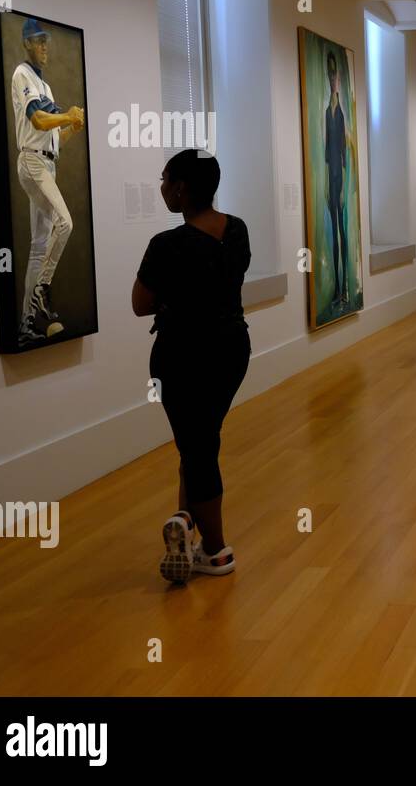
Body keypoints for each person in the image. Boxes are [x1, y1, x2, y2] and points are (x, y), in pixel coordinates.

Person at [133, 150, 251, 584]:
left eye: (164, 180)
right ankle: (185, 520)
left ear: (181, 188)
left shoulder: (166, 245)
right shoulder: (236, 230)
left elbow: (139, 304)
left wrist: (173, 298)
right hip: (231, 348)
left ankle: (216, 550)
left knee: (198, 447)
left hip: (182, 356)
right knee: (200, 439)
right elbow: (226, 280)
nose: (162, 187)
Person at [11, 18, 85, 348]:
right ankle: (43, 290)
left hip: (46, 162)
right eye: (38, 40)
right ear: (27, 43)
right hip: (31, 162)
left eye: (46, 40)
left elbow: (55, 141)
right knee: (65, 223)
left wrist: (73, 127)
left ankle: (26, 322)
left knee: (39, 246)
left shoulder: (47, 86)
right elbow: (39, 120)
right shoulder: (21, 74)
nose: (44, 46)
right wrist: (68, 116)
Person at [324, 50, 351, 309]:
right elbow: (326, 154)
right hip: (330, 179)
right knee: (334, 232)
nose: (333, 79)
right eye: (330, 74)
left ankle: (344, 289)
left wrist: (342, 186)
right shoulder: (326, 111)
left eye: (336, 75)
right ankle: (336, 289)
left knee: (342, 231)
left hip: (340, 178)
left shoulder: (341, 113)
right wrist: (325, 182)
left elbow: (342, 153)